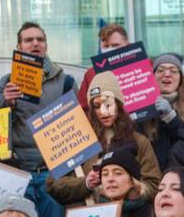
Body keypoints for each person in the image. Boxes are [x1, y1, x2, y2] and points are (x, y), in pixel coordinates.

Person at [46, 73, 161, 205]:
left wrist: (129, 189)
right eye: (96, 105)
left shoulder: (139, 142)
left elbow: (153, 185)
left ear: (118, 105)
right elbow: (52, 184)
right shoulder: (76, 139)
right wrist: (85, 183)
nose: (103, 111)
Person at [0, 22, 74, 171]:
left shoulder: (65, 81)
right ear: (19, 47)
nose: (35, 43)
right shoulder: (7, 83)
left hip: (55, 172)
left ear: (46, 45)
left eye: (40, 40)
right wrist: (7, 104)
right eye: (28, 40)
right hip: (20, 169)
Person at [87, 147, 152, 217]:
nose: (110, 179)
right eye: (105, 174)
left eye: (118, 173)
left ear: (132, 180)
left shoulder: (148, 213)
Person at [77, 23, 131, 113]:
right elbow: (83, 109)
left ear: (127, 45)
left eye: (115, 45)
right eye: (106, 46)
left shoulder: (145, 66)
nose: (110, 50)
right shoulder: (91, 74)